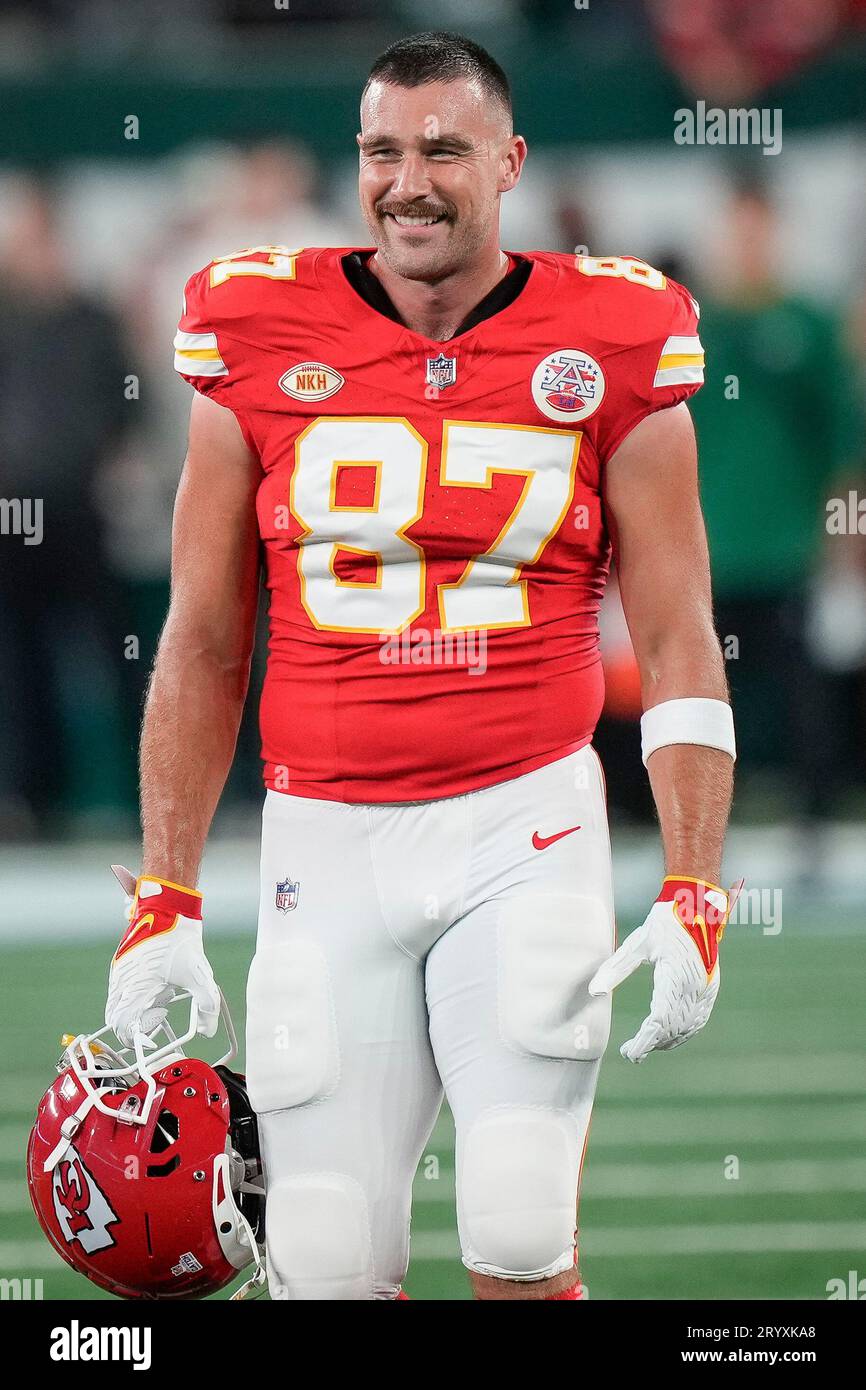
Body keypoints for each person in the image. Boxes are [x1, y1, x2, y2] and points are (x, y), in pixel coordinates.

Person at [104, 31, 736, 1301]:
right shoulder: (252, 319)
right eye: (382, 151)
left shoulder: (611, 334)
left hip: (524, 825)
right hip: (322, 837)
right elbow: (205, 637)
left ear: (506, 163)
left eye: (443, 149)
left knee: (512, 1224)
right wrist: (163, 895)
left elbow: (675, 637)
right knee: (327, 1256)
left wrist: (696, 885)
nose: (409, 180)